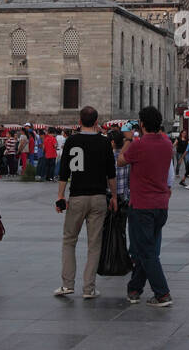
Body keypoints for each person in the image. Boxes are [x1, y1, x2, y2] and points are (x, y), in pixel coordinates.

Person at [55, 106, 117, 298]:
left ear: (79, 121)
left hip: (77, 196)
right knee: (94, 244)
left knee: (69, 240)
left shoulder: (72, 140)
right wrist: (114, 196)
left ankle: (67, 284)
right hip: (98, 197)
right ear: (97, 122)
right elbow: (111, 173)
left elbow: (64, 171)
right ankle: (89, 288)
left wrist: (60, 195)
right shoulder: (105, 142)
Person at [118, 107, 174, 307]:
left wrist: (127, 140)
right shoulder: (168, 144)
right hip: (161, 205)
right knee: (145, 249)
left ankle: (162, 293)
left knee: (146, 252)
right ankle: (134, 289)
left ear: (141, 124)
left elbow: (121, 161)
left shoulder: (138, 145)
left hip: (142, 205)